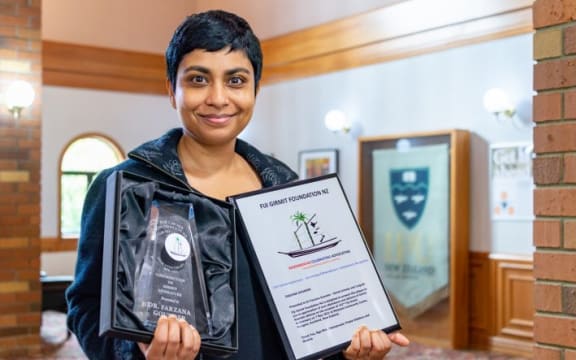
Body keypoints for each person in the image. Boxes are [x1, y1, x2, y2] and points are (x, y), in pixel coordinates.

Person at [65, 9, 409, 360]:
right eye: (198, 80)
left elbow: (307, 313)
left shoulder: (284, 186)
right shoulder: (127, 187)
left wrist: (347, 349)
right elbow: (85, 304)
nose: (218, 97)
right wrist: (136, 354)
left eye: (236, 80)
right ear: (172, 90)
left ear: (255, 90)